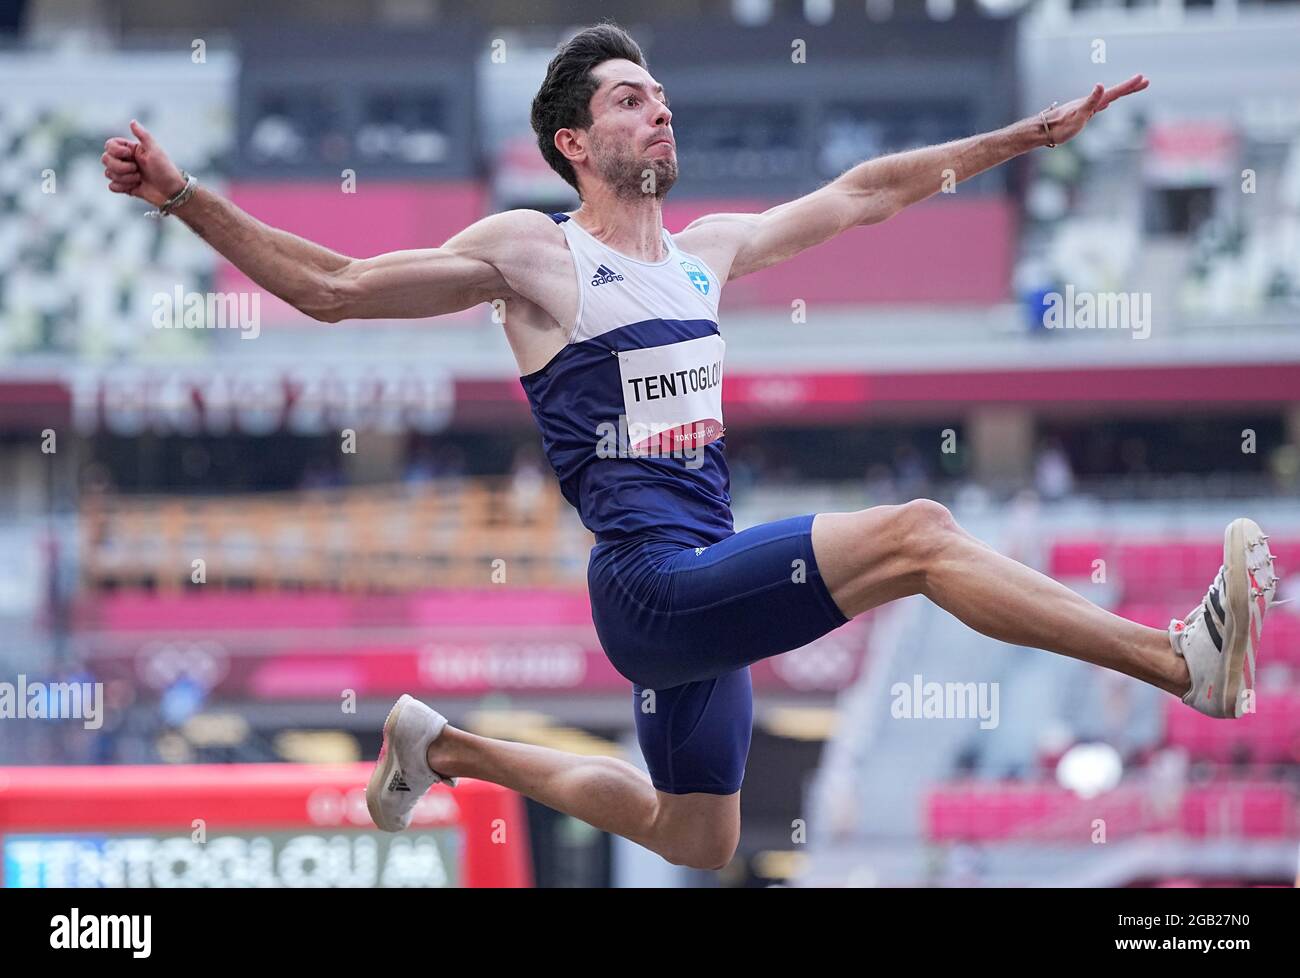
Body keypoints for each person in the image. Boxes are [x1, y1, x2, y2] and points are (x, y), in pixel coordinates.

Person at [102, 23, 1277, 872]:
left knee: (696, 838)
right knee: (921, 534)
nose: (657, 106)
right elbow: (338, 287)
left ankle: (446, 745)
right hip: (651, 587)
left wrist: (1030, 135)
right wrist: (183, 196)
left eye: (660, 92)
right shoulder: (536, 255)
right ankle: (1180, 662)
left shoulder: (708, 252)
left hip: (702, 582)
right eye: (627, 98)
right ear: (572, 140)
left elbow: (866, 192)